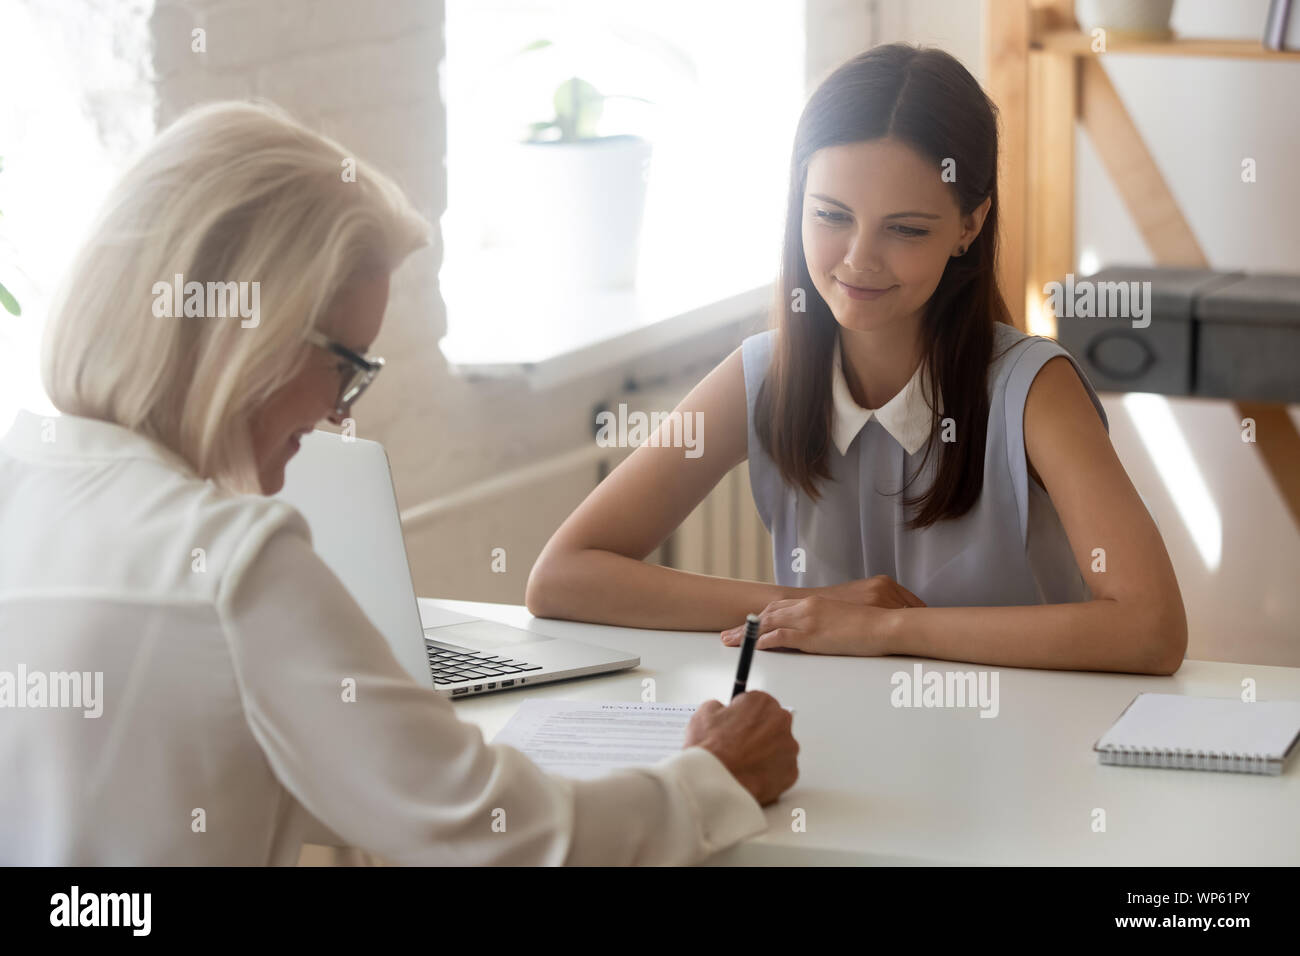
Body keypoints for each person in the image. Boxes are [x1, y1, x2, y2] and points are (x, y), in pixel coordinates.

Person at [0, 100, 797, 865]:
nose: (341, 416)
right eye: (347, 366)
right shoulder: (230, 564)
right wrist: (711, 780)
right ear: (252, 333)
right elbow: (498, 839)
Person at [527, 44, 1187, 676]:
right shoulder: (761, 375)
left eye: (905, 229)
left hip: (1021, 751)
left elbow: (1152, 627)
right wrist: (817, 609)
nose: (859, 259)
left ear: (970, 224)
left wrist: (888, 629)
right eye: (831, 216)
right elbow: (561, 577)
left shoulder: (1033, 388)